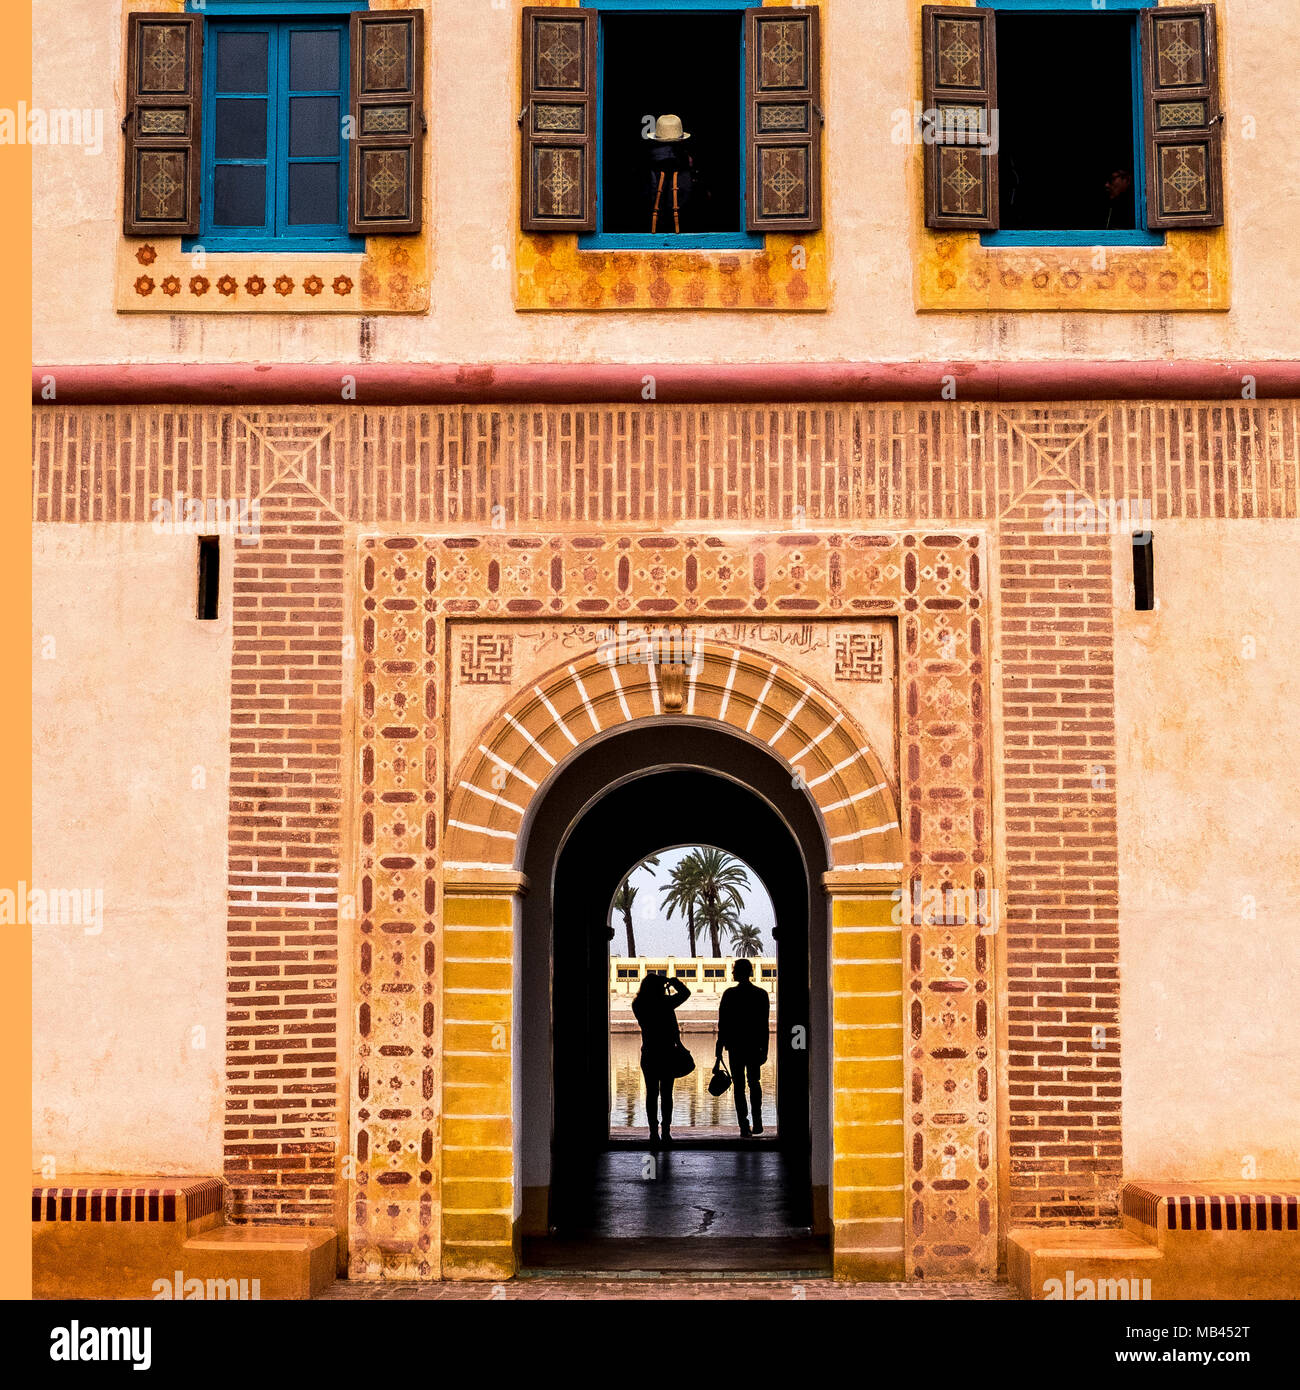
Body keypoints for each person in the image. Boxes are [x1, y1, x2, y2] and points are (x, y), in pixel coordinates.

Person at [631, 971, 691, 1145]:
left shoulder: (639, 1004)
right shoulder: (665, 1003)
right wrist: (673, 981)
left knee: (652, 1094)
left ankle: (653, 1132)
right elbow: (686, 994)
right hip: (667, 1052)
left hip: (649, 1052)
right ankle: (666, 1130)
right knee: (666, 1093)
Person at [716, 959, 770, 1138]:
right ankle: (758, 1121)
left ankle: (744, 1125)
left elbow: (723, 1024)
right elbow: (764, 1024)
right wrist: (765, 1049)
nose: (732, 973)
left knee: (739, 1086)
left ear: (738, 973)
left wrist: (719, 1047)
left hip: (735, 1046)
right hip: (754, 1046)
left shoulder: (729, 995)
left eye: (734, 970)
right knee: (754, 1083)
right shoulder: (761, 994)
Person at [644, 114, 701, 234]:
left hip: (648, 237)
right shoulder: (689, 168)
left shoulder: (645, 168)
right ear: (682, 141)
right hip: (688, 236)